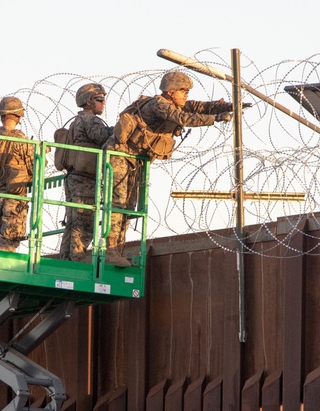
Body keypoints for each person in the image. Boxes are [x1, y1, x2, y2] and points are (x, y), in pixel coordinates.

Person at [102, 70, 238, 266]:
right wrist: (215, 118)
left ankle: (117, 252)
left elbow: (198, 107)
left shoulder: (174, 103)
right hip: (119, 154)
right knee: (118, 203)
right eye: (183, 91)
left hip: (135, 158)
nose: (186, 96)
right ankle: (111, 251)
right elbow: (183, 118)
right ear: (171, 91)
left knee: (129, 206)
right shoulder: (160, 104)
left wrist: (226, 106)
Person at [58, 83, 113, 262]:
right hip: (85, 179)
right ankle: (77, 258)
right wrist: (122, 128)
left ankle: (67, 257)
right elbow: (101, 136)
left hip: (74, 177)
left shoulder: (77, 120)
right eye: (99, 99)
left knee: (73, 221)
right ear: (89, 101)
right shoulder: (90, 120)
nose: (103, 103)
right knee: (84, 221)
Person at [0, 95, 35, 252]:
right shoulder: (21, 140)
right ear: (18, 116)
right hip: (14, 197)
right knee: (9, 240)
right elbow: (34, 167)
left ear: (2, 115)